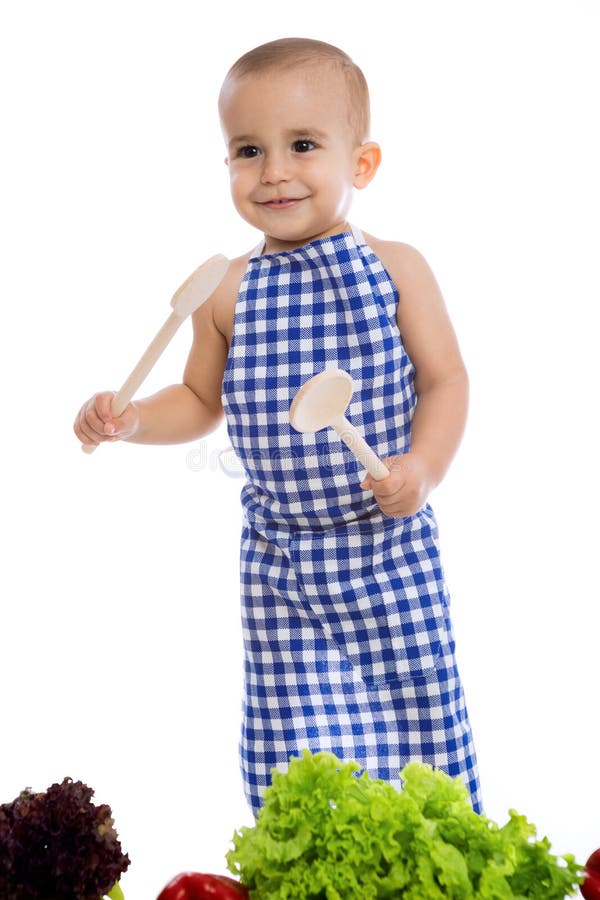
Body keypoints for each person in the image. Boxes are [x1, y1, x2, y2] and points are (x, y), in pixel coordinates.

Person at [74, 37, 482, 815]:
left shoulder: (396, 267)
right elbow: (199, 401)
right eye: (247, 151)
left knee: (419, 712)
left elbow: (446, 380)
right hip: (281, 558)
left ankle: (440, 851)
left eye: (302, 146)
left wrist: (422, 468)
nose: (274, 172)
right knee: (291, 734)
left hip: (384, 541)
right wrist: (130, 420)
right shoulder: (226, 289)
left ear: (361, 164)